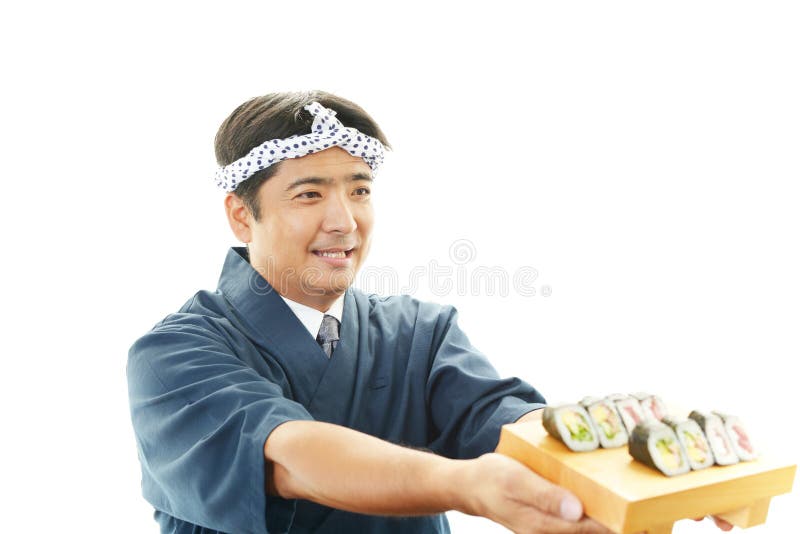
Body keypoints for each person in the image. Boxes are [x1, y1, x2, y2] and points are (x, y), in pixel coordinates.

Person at [126, 91, 731, 534]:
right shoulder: (173, 354)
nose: (344, 220)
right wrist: (466, 485)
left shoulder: (420, 331)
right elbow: (291, 453)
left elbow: (506, 424)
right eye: (309, 193)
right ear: (241, 214)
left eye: (359, 190)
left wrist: (623, 467)